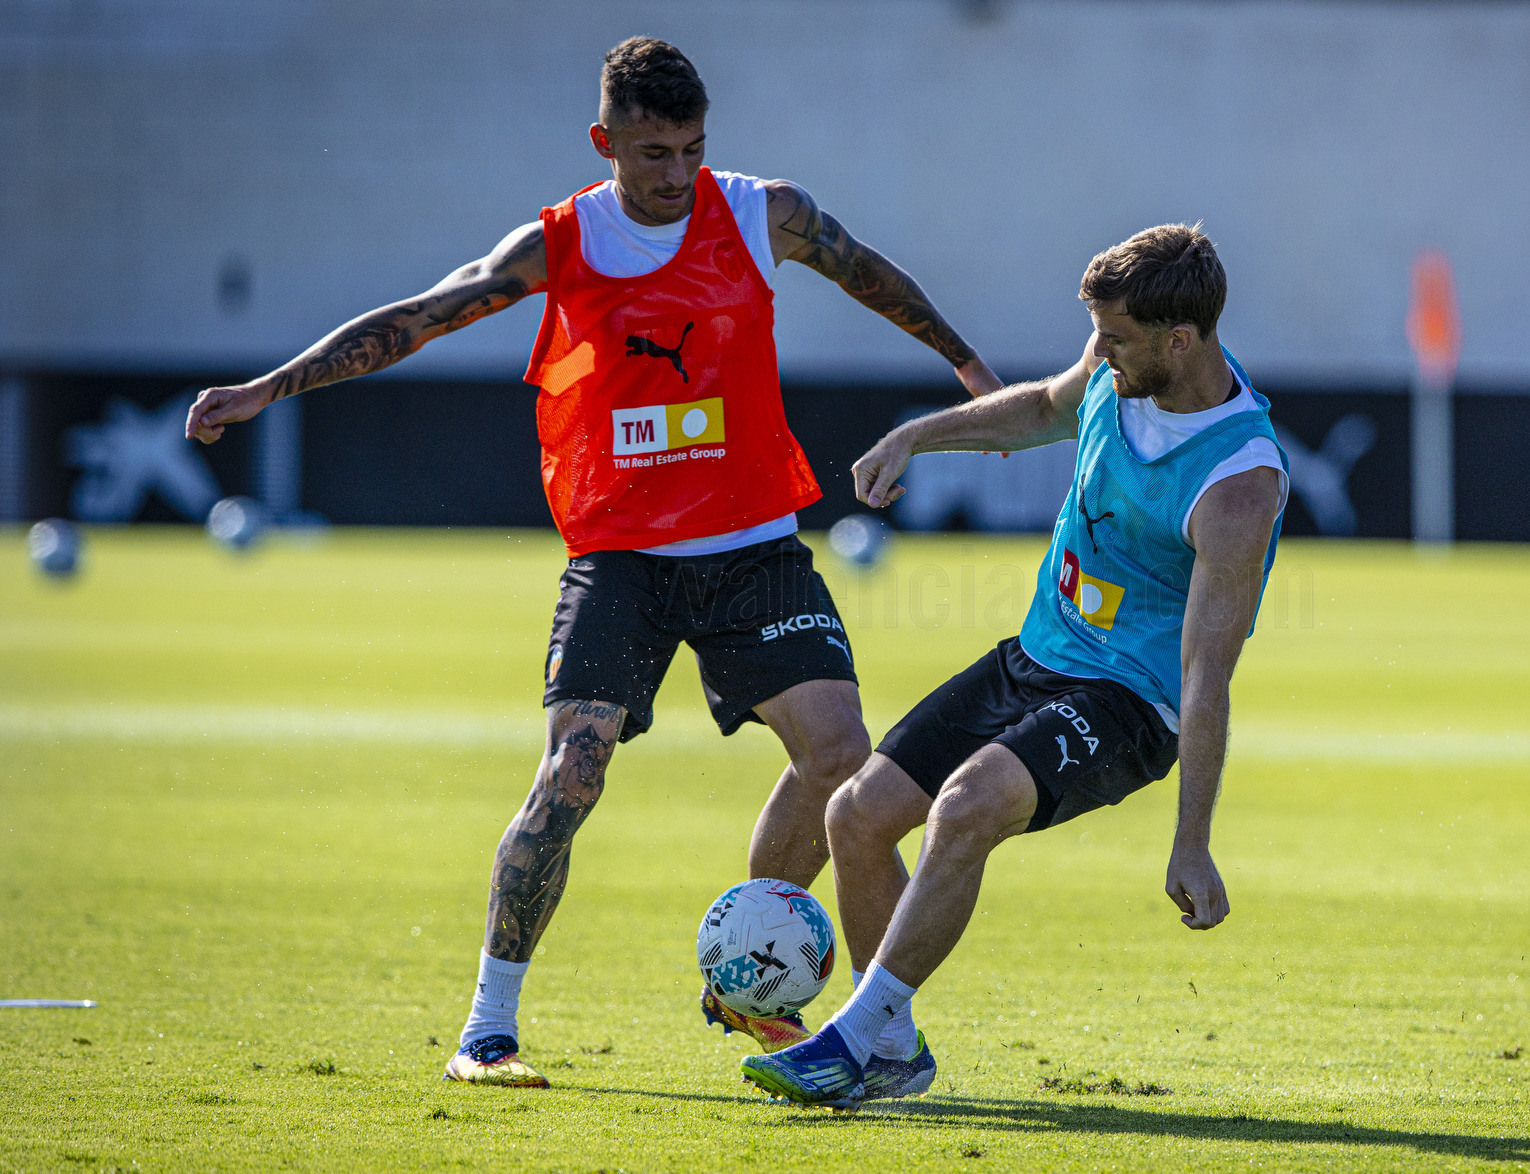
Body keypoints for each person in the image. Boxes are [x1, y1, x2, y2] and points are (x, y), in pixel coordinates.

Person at [184, 37, 1001, 1089]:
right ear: (603, 141)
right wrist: (266, 389)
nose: (676, 175)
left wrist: (968, 368)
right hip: (620, 555)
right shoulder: (559, 242)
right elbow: (419, 319)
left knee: (841, 756)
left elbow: (868, 272)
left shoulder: (764, 212)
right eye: (654, 153)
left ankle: (757, 985)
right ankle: (487, 1028)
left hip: (754, 545)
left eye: (693, 150)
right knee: (573, 774)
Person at [740, 224, 1289, 1106]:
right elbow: (1042, 408)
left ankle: (850, 1038)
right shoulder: (1115, 368)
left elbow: (1205, 679)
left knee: (966, 806)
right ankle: (892, 1052)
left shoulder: (1238, 482)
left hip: (1130, 704)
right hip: (1036, 657)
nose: (1098, 352)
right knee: (857, 814)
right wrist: (919, 435)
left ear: (1179, 341)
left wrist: (1192, 842)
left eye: (1115, 338)